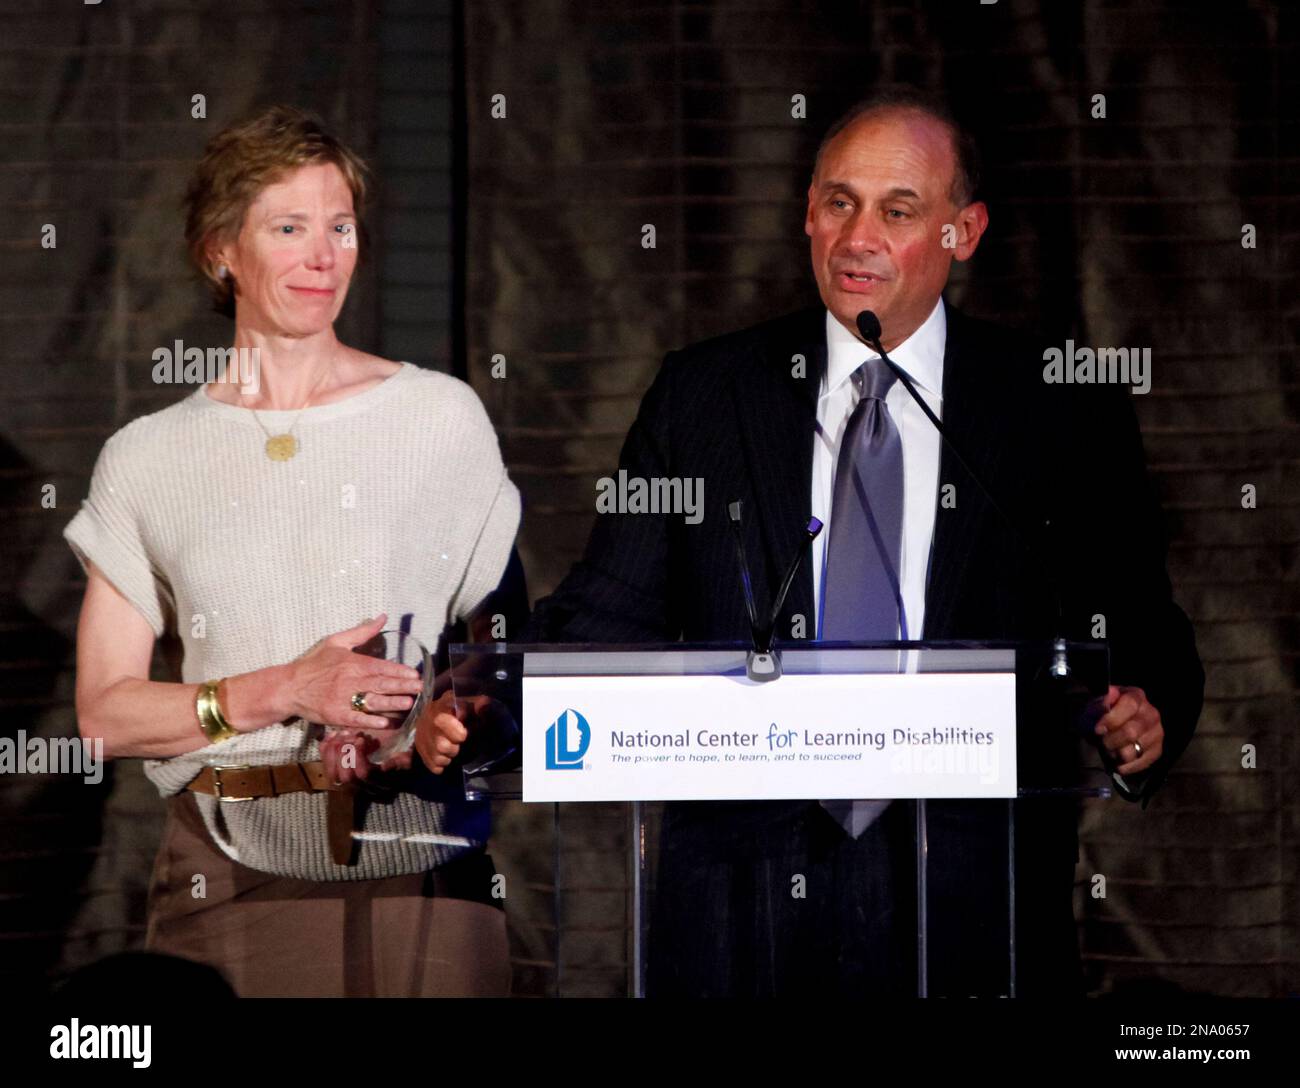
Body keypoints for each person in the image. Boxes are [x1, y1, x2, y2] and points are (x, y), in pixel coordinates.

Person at [422, 89, 1204, 996]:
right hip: (737, 914)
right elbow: (608, 610)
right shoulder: (706, 394)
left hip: (970, 908)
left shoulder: (1056, 408)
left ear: (965, 231)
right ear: (806, 214)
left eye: (898, 210)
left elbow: (1142, 625)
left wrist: (1144, 716)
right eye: (839, 203)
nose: (859, 236)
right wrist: (496, 704)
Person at [63, 105, 521, 997]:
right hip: (230, 872)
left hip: (423, 862)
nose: (324, 256)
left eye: (341, 228)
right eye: (289, 228)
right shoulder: (148, 457)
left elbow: (504, 650)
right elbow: (103, 715)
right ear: (219, 250)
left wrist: (443, 720)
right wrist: (286, 688)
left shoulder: (440, 419)